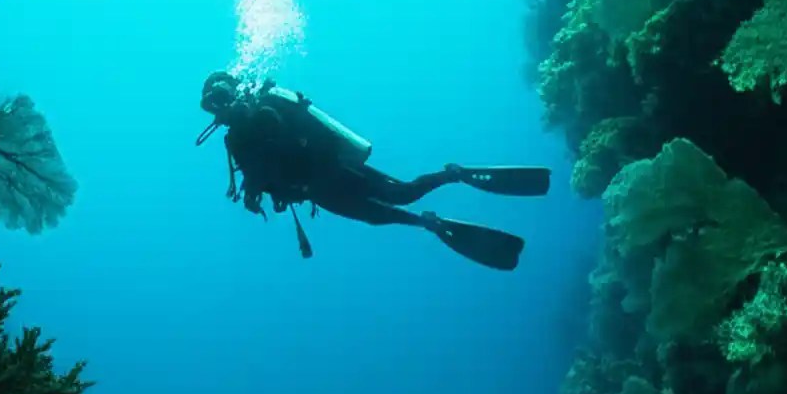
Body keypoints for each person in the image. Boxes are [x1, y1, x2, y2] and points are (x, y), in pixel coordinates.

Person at [196, 71, 551, 269]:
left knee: (403, 193)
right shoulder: (234, 144)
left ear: (233, 90)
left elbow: (297, 135)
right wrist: (253, 196)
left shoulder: (265, 108)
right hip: (317, 192)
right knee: (380, 217)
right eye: (212, 104)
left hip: (333, 172)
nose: (220, 107)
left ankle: (454, 173)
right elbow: (255, 184)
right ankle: (429, 222)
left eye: (221, 97)